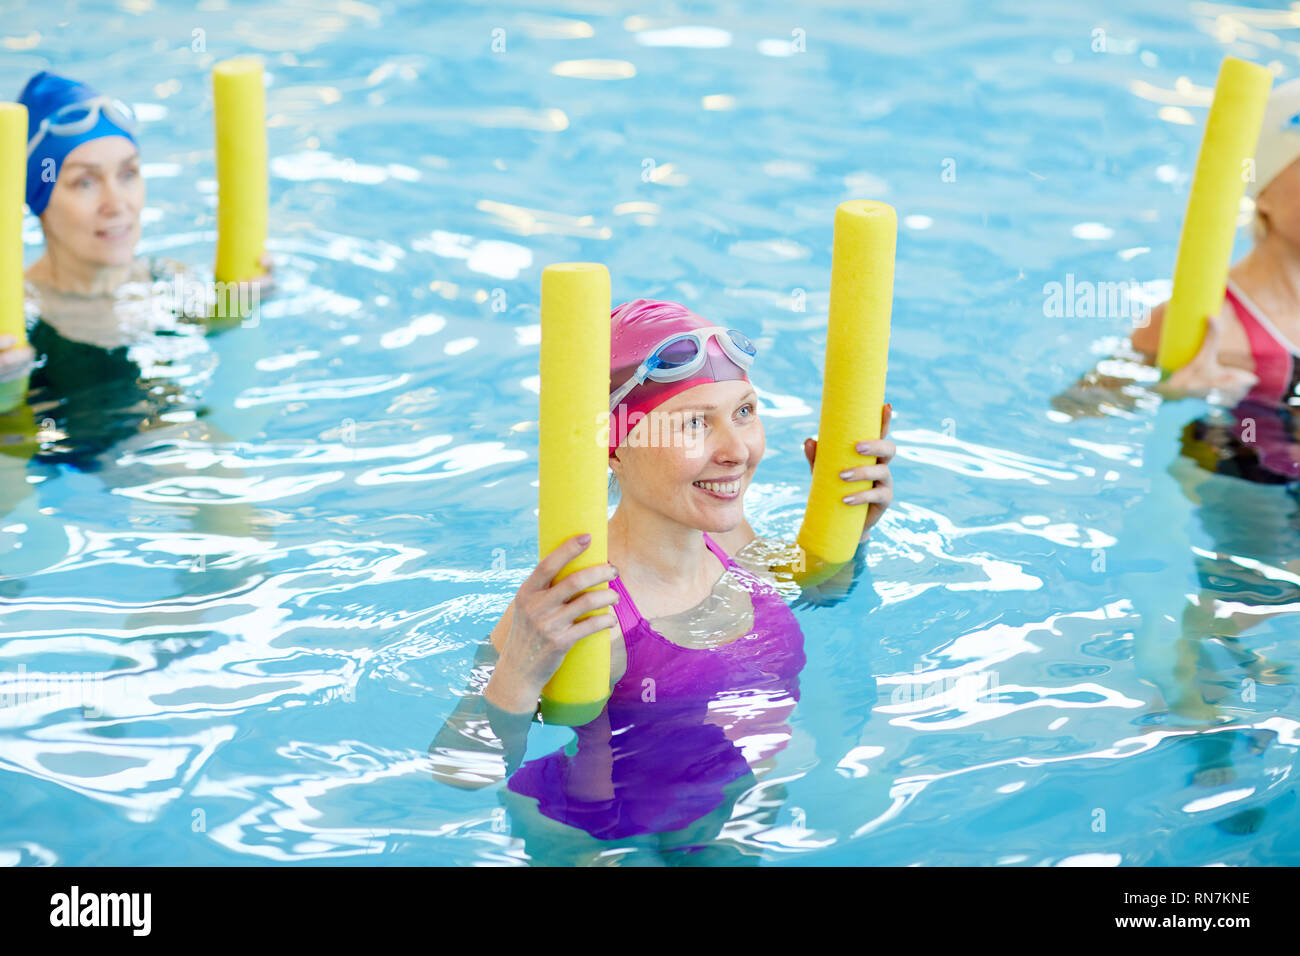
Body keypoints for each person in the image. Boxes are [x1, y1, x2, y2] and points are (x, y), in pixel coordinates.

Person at [431, 298, 895, 862]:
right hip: (589, 831)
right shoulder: (580, 604)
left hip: (718, 789)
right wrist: (520, 671)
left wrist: (854, 534)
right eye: (695, 423)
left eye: (744, 412)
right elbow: (460, 770)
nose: (735, 452)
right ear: (615, 448)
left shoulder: (725, 534)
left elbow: (820, 597)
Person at [1052, 80, 1300, 726]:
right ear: (1265, 196)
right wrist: (1176, 390)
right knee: (1244, 606)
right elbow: (1078, 403)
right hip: (1246, 480)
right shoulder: (1202, 314)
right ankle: (1189, 701)